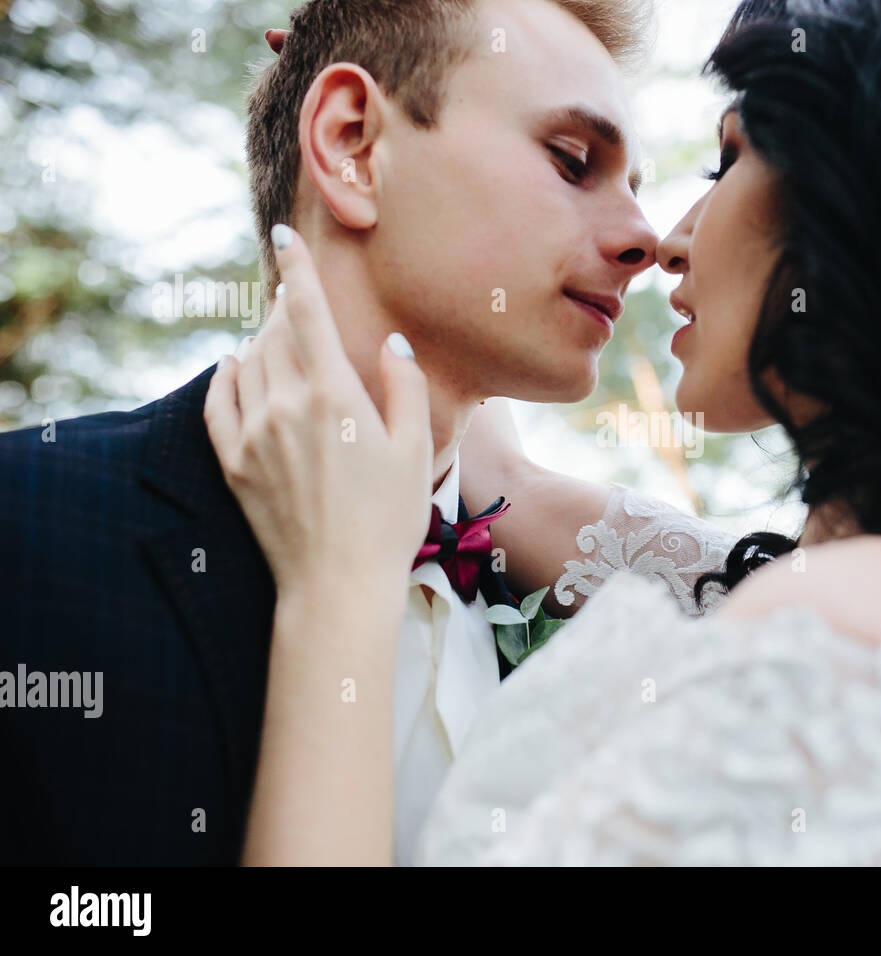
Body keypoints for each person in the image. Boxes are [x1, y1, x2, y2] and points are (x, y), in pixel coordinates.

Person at [212, 0, 881, 865]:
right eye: (570, 161)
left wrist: (339, 598)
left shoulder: (831, 644)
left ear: (860, 200)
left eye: (723, 160)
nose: (659, 239)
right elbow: (549, 504)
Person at [0, 0, 655, 866]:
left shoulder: (605, 631)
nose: (646, 237)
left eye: (638, 186)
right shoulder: (25, 527)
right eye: (574, 162)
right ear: (353, 145)